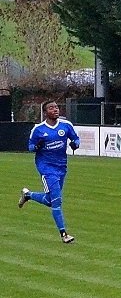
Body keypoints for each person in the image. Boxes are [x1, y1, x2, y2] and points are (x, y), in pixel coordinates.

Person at [18, 101, 81, 243]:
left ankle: (28, 195)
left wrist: (75, 144)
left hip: (61, 167)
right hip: (46, 168)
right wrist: (36, 146)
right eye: (51, 108)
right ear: (45, 113)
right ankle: (64, 234)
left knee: (49, 200)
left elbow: (76, 139)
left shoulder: (66, 125)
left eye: (56, 107)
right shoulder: (38, 129)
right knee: (57, 201)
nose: (55, 110)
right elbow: (30, 146)